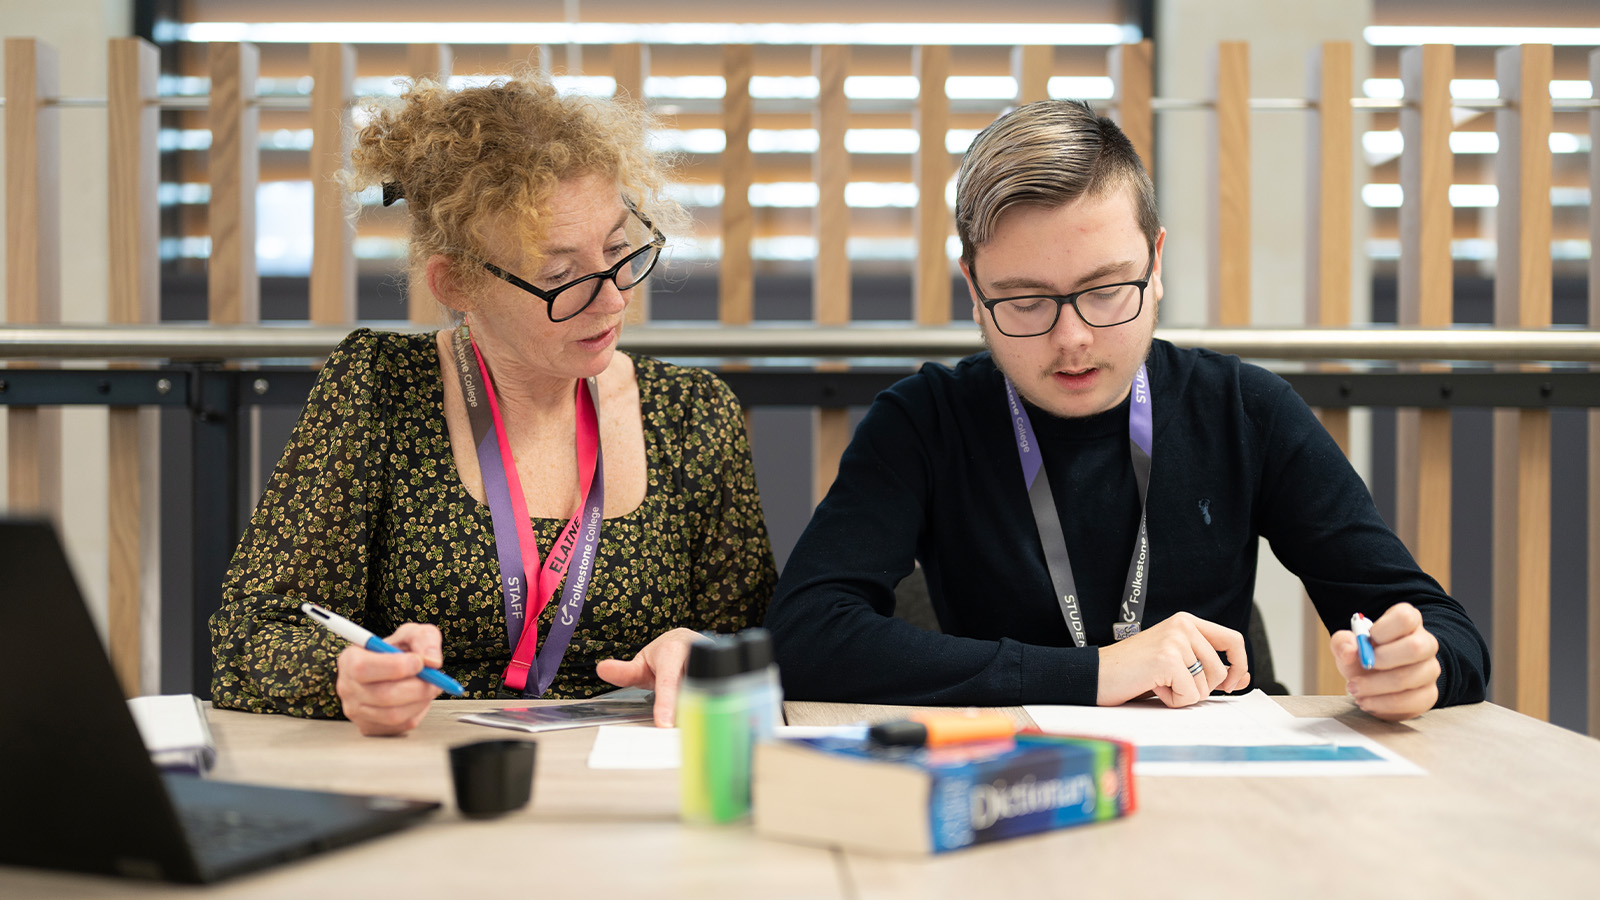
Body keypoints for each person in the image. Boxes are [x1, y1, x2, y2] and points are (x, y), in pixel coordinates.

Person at [764, 99, 1488, 722]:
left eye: (1108, 290)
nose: (1072, 338)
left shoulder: (1244, 409)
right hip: (1018, 778)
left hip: (1221, 785)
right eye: (1025, 301)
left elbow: (1448, 634)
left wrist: (1417, 667)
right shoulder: (926, 421)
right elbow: (806, 638)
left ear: (1156, 260)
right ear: (974, 287)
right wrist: (1100, 674)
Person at [211, 74, 776, 735]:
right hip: (433, 767)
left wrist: (706, 656)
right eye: (561, 277)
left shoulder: (690, 413)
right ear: (457, 283)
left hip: (633, 785)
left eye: (619, 252)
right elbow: (248, 642)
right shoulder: (382, 390)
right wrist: (344, 673)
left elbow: (759, 642)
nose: (615, 299)